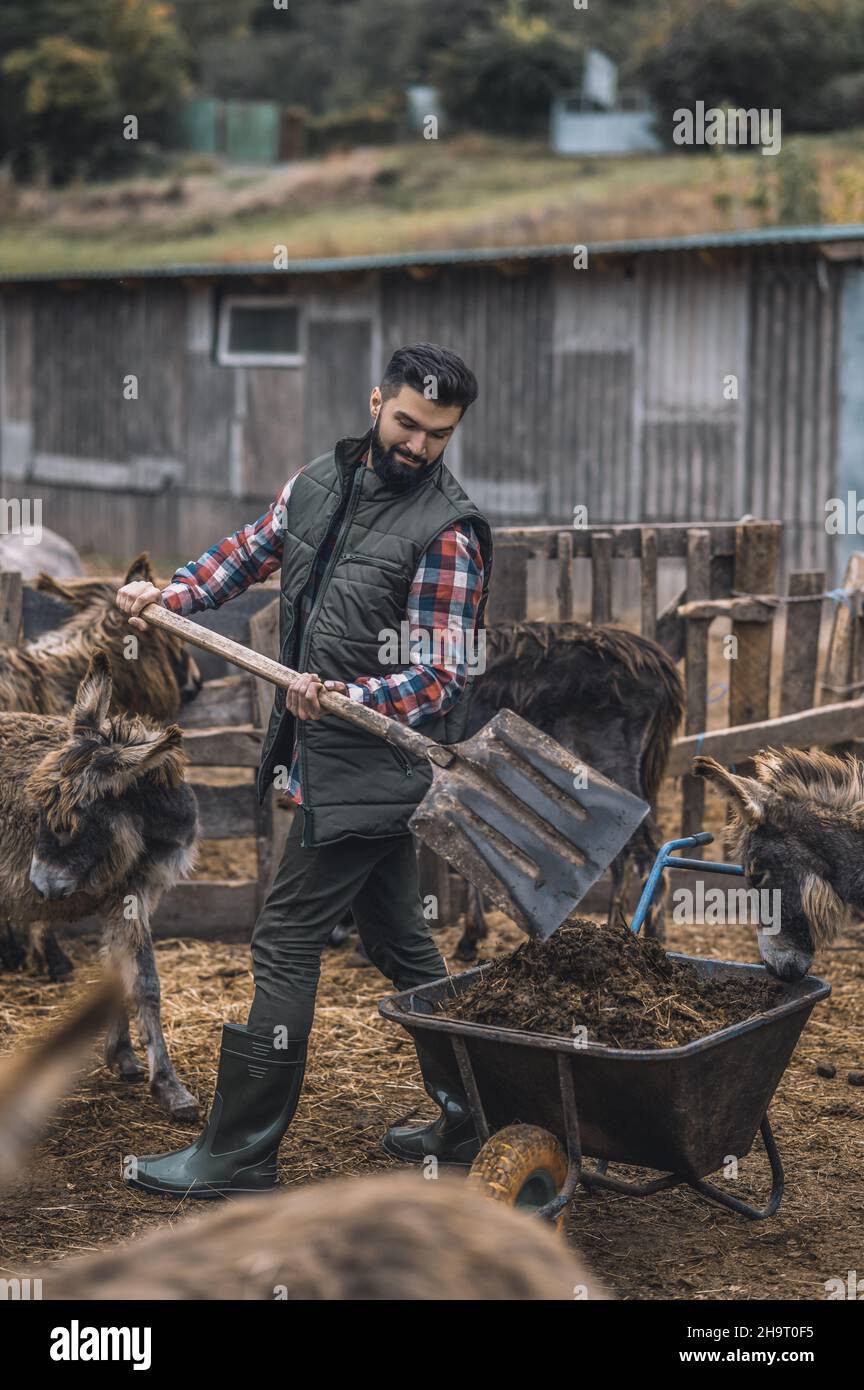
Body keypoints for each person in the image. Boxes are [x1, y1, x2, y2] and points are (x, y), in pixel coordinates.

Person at [114, 342, 493, 1197]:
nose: (418, 446)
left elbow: (441, 672)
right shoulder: (318, 483)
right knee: (400, 941)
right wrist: (167, 596)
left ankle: (240, 1153)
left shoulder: (448, 533)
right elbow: (246, 554)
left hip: (371, 770)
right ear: (375, 402)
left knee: (284, 942)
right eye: (406, 423)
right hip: (323, 756)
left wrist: (354, 695)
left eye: (438, 434)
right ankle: (477, 1109)